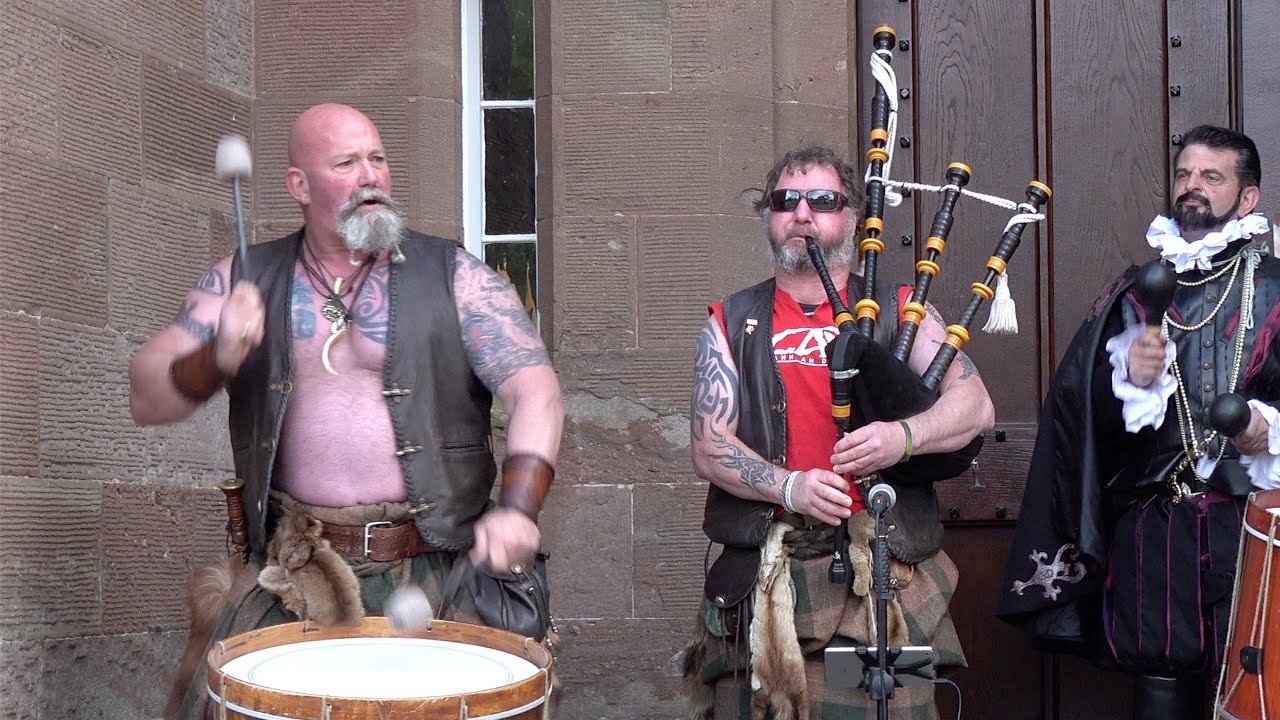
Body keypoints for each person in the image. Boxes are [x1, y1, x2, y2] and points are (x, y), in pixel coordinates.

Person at [129, 103, 563, 719]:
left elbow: (535, 390)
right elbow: (146, 394)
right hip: (297, 568)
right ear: (299, 186)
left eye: (378, 158)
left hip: (440, 565)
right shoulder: (244, 279)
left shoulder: (457, 276)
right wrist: (216, 355)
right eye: (347, 163)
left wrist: (519, 509)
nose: (371, 177)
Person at [681, 145, 995, 719]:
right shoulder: (730, 320)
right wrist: (788, 486)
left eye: (823, 200)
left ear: (852, 217)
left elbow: (974, 406)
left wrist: (903, 436)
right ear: (767, 217)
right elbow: (709, 445)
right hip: (770, 572)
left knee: (885, 706)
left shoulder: (904, 310)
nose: (802, 213)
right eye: (786, 201)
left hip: (884, 573)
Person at [997, 125, 1280, 720]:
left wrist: (1263, 429)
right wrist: (1127, 375)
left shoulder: (1278, 291)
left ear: (1247, 198)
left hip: (1252, 524)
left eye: (1211, 176)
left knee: (1258, 679)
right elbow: (1080, 422)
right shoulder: (1134, 293)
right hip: (1159, 526)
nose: (1191, 188)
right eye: (1184, 175)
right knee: (1159, 676)